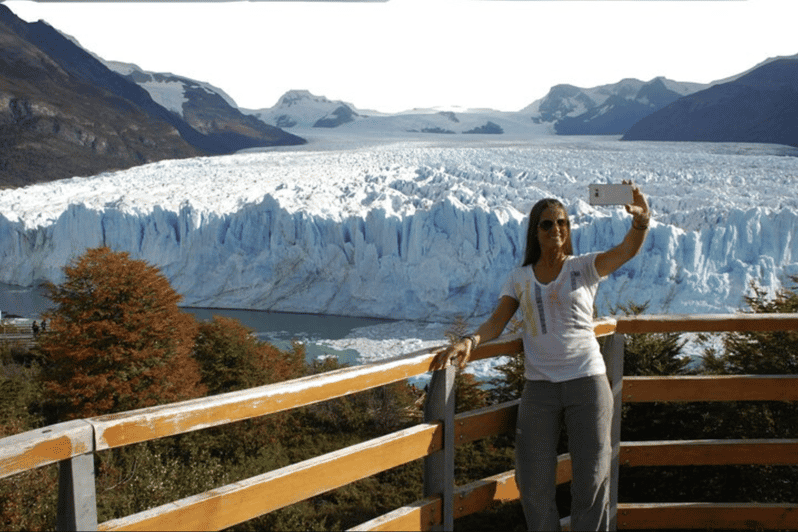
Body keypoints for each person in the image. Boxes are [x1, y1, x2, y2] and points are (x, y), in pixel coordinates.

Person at [433, 181, 650, 531]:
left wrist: (641, 220)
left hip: (587, 383)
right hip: (540, 388)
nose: (556, 229)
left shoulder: (584, 267)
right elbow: (497, 321)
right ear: (535, 231)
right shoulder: (519, 278)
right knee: (533, 484)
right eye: (547, 224)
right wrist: (470, 341)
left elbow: (626, 251)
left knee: (591, 481)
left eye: (562, 222)